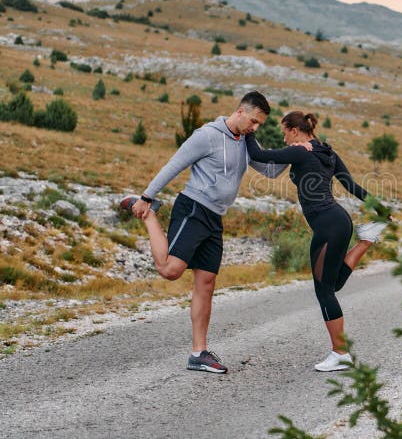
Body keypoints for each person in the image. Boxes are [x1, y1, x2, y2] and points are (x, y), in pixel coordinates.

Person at [119, 91, 297, 374]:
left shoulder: (246, 140)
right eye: (253, 121)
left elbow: (271, 172)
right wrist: (147, 197)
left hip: (215, 218)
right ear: (240, 111)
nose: (255, 128)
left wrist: (297, 149)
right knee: (170, 269)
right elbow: (174, 164)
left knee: (206, 284)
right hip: (194, 208)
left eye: (259, 125)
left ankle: (198, 353)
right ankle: (149, 216)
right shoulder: (207, 135)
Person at [245, 111, 389, 372]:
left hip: (327, 225)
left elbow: (258, 155)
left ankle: (340, 353)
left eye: (285, 133)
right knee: (333, 285)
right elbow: (351, 184)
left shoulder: (300, 152)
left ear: (295, 130)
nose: (285, 138)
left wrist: (247, 129)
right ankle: (366, 240)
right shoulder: (328, 152)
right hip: (339, 221)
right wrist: (380, 208)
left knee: (324, 292)